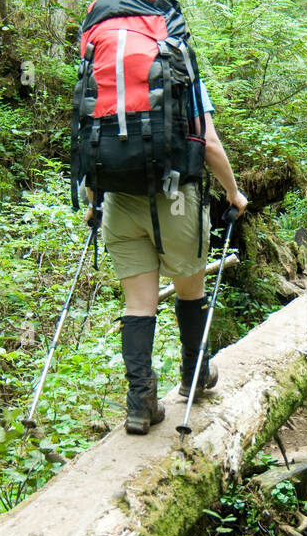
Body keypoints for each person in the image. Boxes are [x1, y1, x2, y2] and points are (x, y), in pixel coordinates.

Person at [85, 78, 247, 435]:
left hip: (118, 201)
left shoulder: (106, 75)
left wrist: (92, 198)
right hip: (175, 198)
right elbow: (209, 142)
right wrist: (233, 193)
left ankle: (140, 403)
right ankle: (194, 375)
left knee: (138, 304)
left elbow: (90, 139)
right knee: (191, 291)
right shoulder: (179, 70)